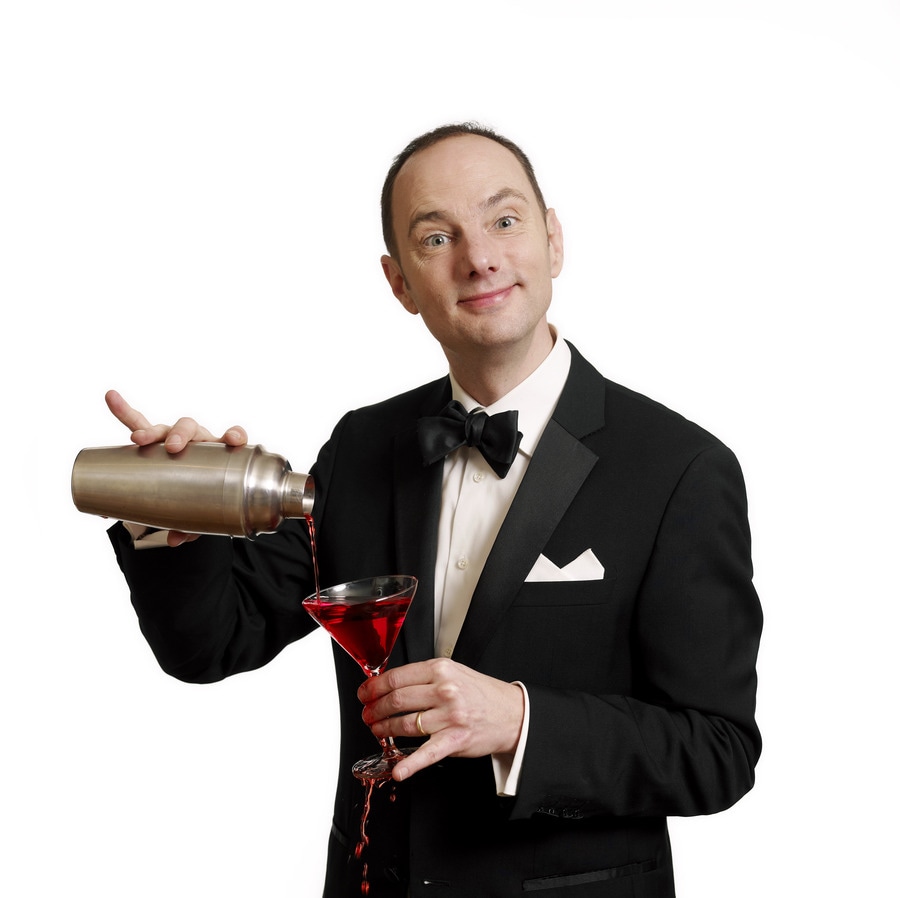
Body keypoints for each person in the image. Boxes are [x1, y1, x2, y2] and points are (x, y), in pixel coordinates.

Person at [105, 123, 762, 897]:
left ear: (553, 241)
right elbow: (212, 643)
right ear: (399, 284)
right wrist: (171, 521)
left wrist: (517, 721)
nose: (479, 257)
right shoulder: (362, 446)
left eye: (504, 221)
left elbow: (718, 751)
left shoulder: (681, 469)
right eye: (436, 237)